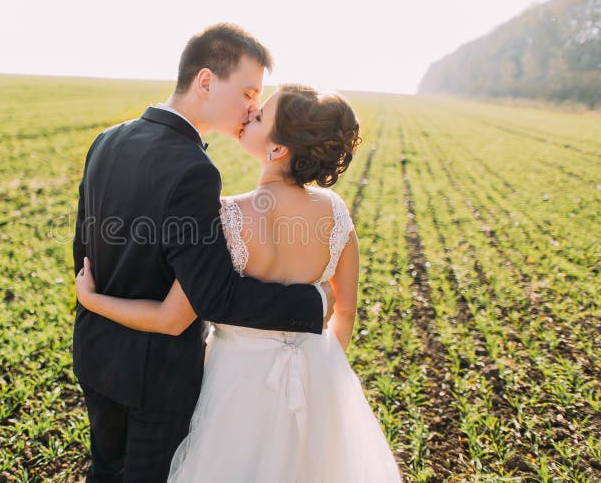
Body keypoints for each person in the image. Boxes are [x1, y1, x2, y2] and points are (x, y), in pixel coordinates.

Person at [75, 84, 402, 482]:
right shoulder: (335, 213)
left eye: (260, 116)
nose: (250, 114)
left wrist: (92, 300)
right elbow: (345, 311)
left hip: (234, 387)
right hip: (315, 382)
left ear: (277, 148)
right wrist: (321, 373)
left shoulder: (227, 217)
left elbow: (170, 317)